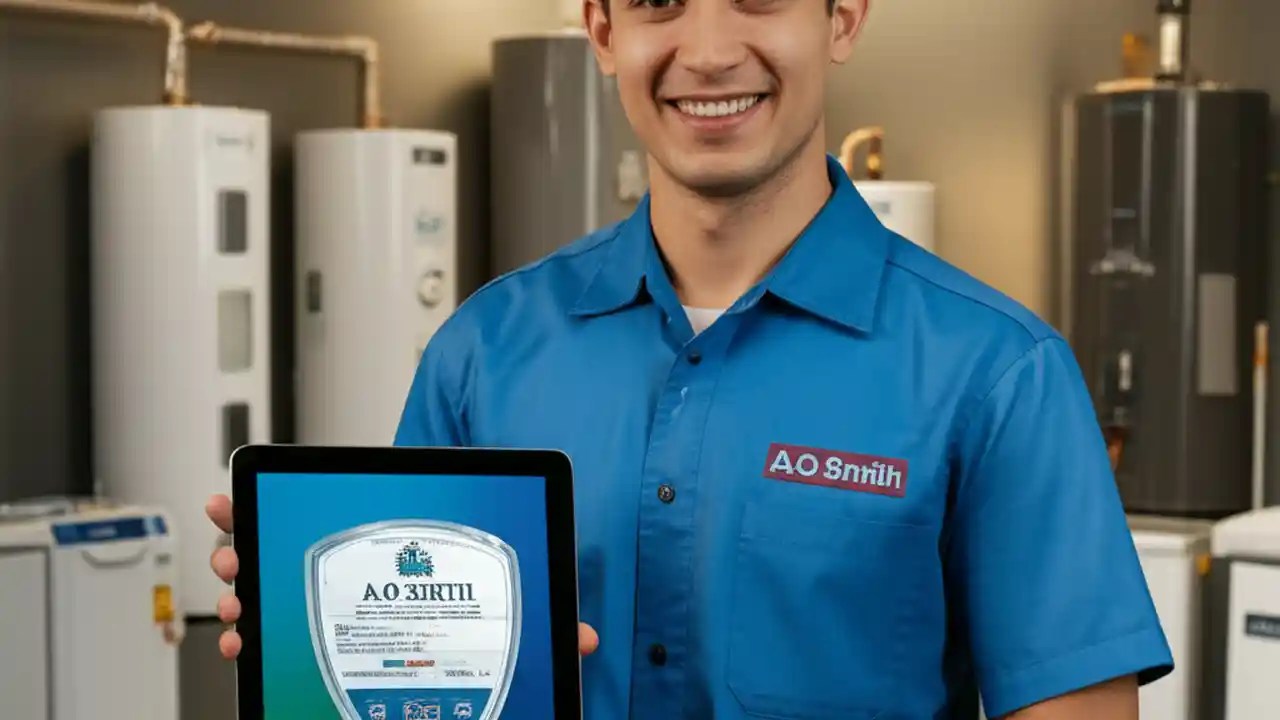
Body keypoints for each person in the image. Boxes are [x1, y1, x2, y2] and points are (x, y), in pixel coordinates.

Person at [207, 0, 1174, 717]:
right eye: (657, 2)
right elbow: (423, 677)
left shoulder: (998, 376)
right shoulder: (486, 353)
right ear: (600, 30)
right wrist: (327, 647)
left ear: (843, 16)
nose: (708, 53)